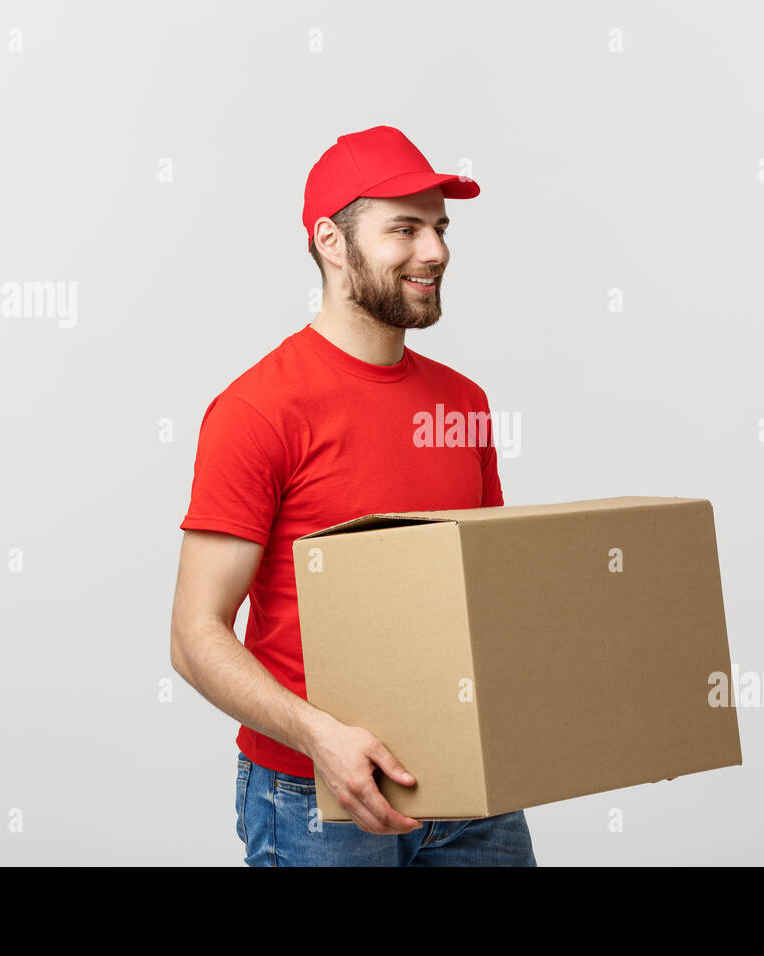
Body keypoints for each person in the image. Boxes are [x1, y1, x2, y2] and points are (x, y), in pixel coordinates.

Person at [169, 125, 537, 866]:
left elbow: (486, 596)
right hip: (315, 797)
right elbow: (194, 635)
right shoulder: (259, 410)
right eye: (405, 228)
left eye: (438, 227)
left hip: (469, 785)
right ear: (331, 242)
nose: (435, 250)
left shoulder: (462, 403)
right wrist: (319, 737)